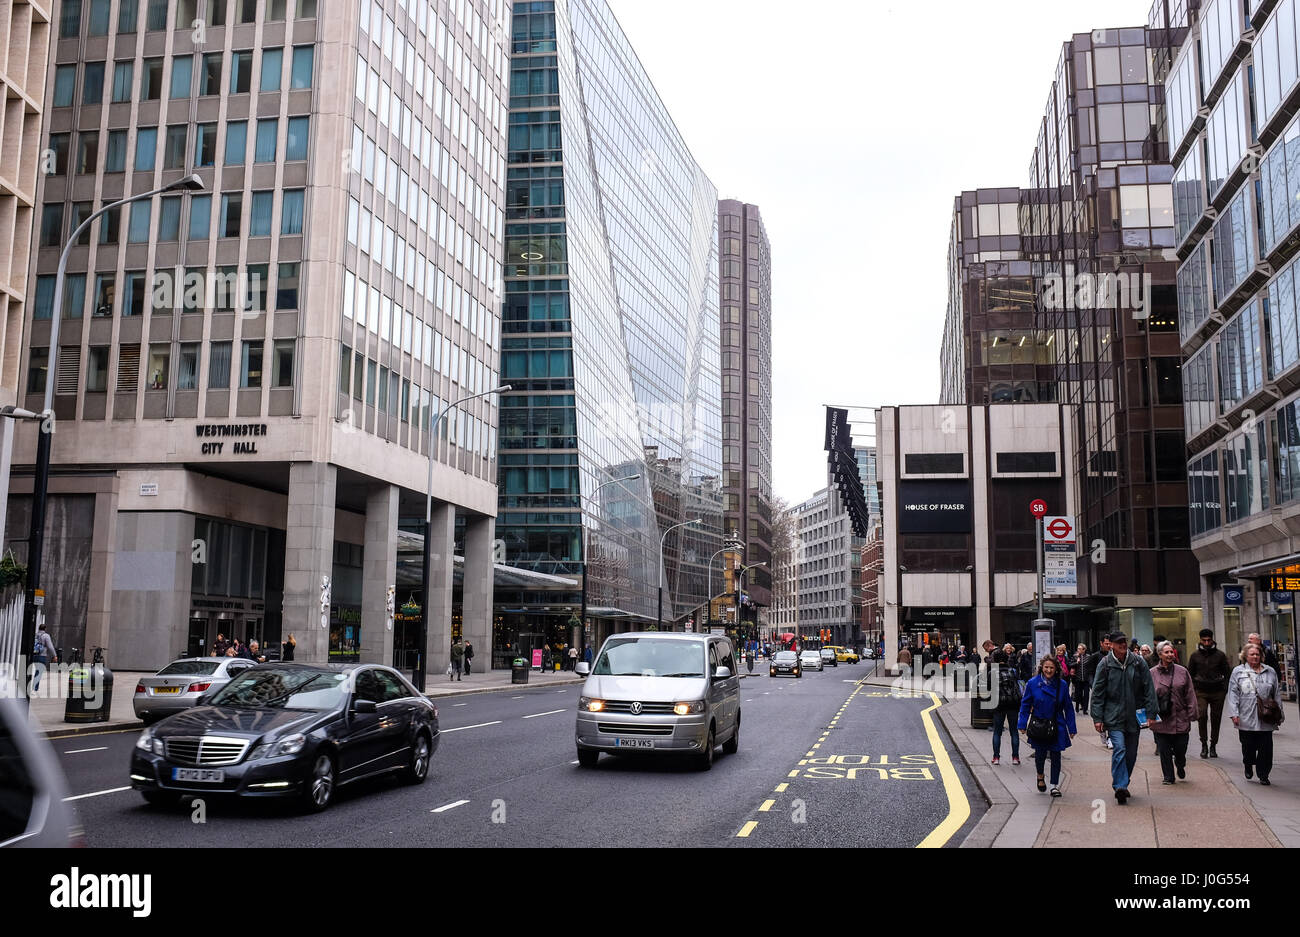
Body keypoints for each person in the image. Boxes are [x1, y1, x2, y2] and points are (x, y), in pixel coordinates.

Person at [1089, 631, 1158, 805]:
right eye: (1118, 642)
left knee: (1131, 753)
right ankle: (1120, 785)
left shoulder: (1138, 662)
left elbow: (1149, 688)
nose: (1122, 645)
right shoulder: (1105, 665)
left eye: (1124, 641)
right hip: (1113, 716)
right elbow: (1097, 693)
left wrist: (1151, 713)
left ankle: (1123, 782)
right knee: (1119, 748)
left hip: (1134, 715)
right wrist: (1097, 717)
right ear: (1110, 645)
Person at [1018, 655, 1076, 796]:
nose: (1049, 670)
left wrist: (1072, 728)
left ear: (1056, 669)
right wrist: (1022, 723)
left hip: (1057, 723)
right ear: (1041, 668)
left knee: (1056, 754)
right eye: (1046, 667)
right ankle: (1040, 776)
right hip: (1039, 723)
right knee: (1040, 754)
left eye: (1051, 667)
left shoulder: (1061, 685)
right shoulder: (1032, 683)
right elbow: (1025, 705)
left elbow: (1068, 707)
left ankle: (1054, 785)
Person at [1227, 643, 1283, 785]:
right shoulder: (1238, 672)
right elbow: (1233, 693)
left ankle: (1263, 774)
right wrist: (1234, 713)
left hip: (1266, 716)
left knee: (1266, 748)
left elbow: (1276, 694)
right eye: (1252, 654)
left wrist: (1279, 714)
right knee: (1248, 746)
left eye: (1257, 654)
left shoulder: (1270, 671)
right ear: (1245, 656)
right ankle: (1248, 763)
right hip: (1246, 716)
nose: (1255, 657)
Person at [1150, 640, 1198, 784]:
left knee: (1180, 748)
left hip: (1181, 717)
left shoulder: (1182, 671)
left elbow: (1190, 692)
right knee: (1164, 750)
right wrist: (1148, 715)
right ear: (1160, 654)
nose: (1170, 654)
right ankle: (1168, 777)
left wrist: (1192, 711)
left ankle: (1180, 764)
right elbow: (1147, 695)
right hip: (1162, 719)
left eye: (1171, 652)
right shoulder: (1152, 673)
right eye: (1166, 652)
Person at [1187, 628, 1230, 759]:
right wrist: (1193, 689)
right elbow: (1190, 673)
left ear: (1212, 640)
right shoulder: (1195, 656)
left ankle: (1213, 745)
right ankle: (1204, 744)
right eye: (1204, 640)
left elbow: (1227, 673)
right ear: (1200, 640)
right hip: (1201, 691)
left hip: (1217, 691)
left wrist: (1224, 689)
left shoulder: (1220, 655)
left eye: (1208, 640)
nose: (1206, 643)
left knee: (1216, 719)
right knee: (1202, 716)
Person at [990, 650, 1021, 766]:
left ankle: (996, 757)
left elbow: (989, 688)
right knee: (1014, 731)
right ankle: (1015, 757)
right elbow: (1018, 684)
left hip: (999, 704)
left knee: (997, 732)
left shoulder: (992, 672)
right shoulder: (1013, 671)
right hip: (1013, 704)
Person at [31, 624, 58, 692]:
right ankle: (35, 688)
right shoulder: (46, 635)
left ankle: (34, 687)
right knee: (39, 672)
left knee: (36, 671)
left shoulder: (35, 635)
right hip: (42, 656)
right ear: (45, 629)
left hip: (34, 655)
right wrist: (54, 655)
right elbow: (50, 646)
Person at [1071, 644, 1090, 712]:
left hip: (1086, 678)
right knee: (1078, 694)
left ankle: (1085, 709)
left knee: (1086, 694)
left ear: (1084, 650)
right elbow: (1070, 665)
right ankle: (1077, 707)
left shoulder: (1088, 657)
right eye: (1078, 648)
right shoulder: (1075, 656)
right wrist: (1076, 662)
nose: (1078, 650)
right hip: (1077, 678)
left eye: (1080, 649)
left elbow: (1090, 667)